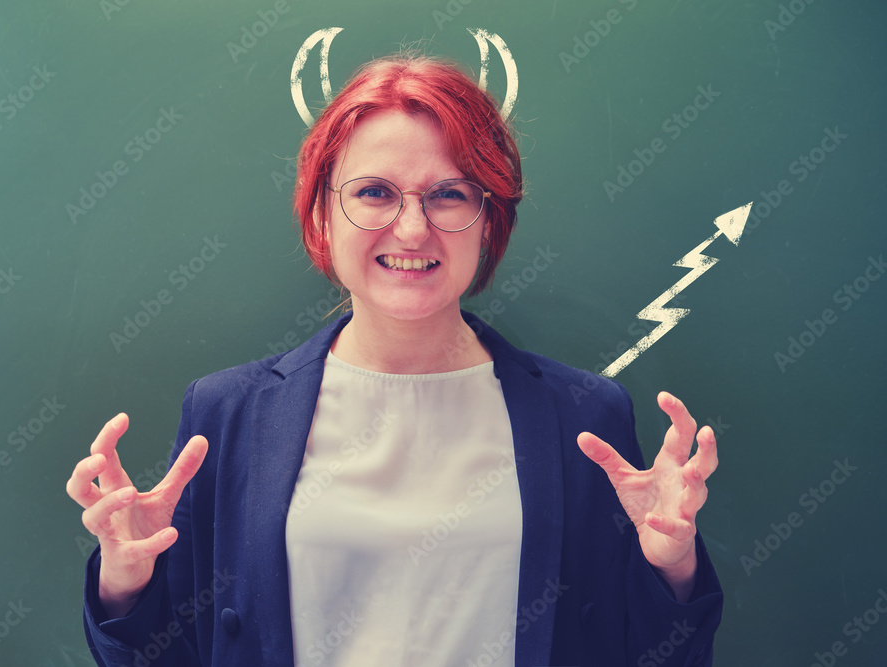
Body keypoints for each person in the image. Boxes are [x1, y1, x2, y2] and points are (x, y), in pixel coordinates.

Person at [67, 52, 723, 666]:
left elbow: (653, 653)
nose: (412, 230)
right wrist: (128, 583)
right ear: (323, 215)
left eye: (450, 194)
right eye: (375, 192)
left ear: (490, 222)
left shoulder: (583, 419)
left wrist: (672, 565)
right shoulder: (228, 413)